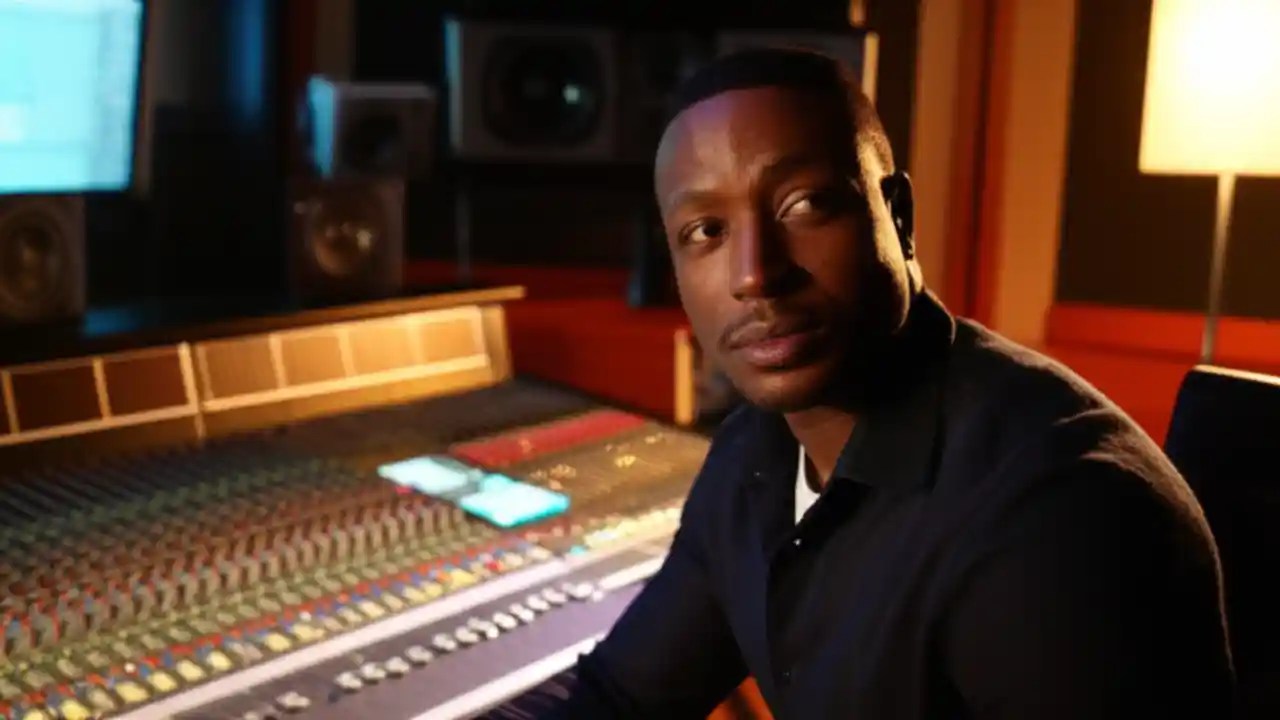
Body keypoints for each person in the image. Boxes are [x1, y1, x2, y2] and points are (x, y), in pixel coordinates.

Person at [555, 48, 1235, 718]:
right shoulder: (752, 457)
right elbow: (619, 699)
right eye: (706, 230)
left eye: (804, 204)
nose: (755, 275)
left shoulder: (1061, 518)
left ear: (898, 218)